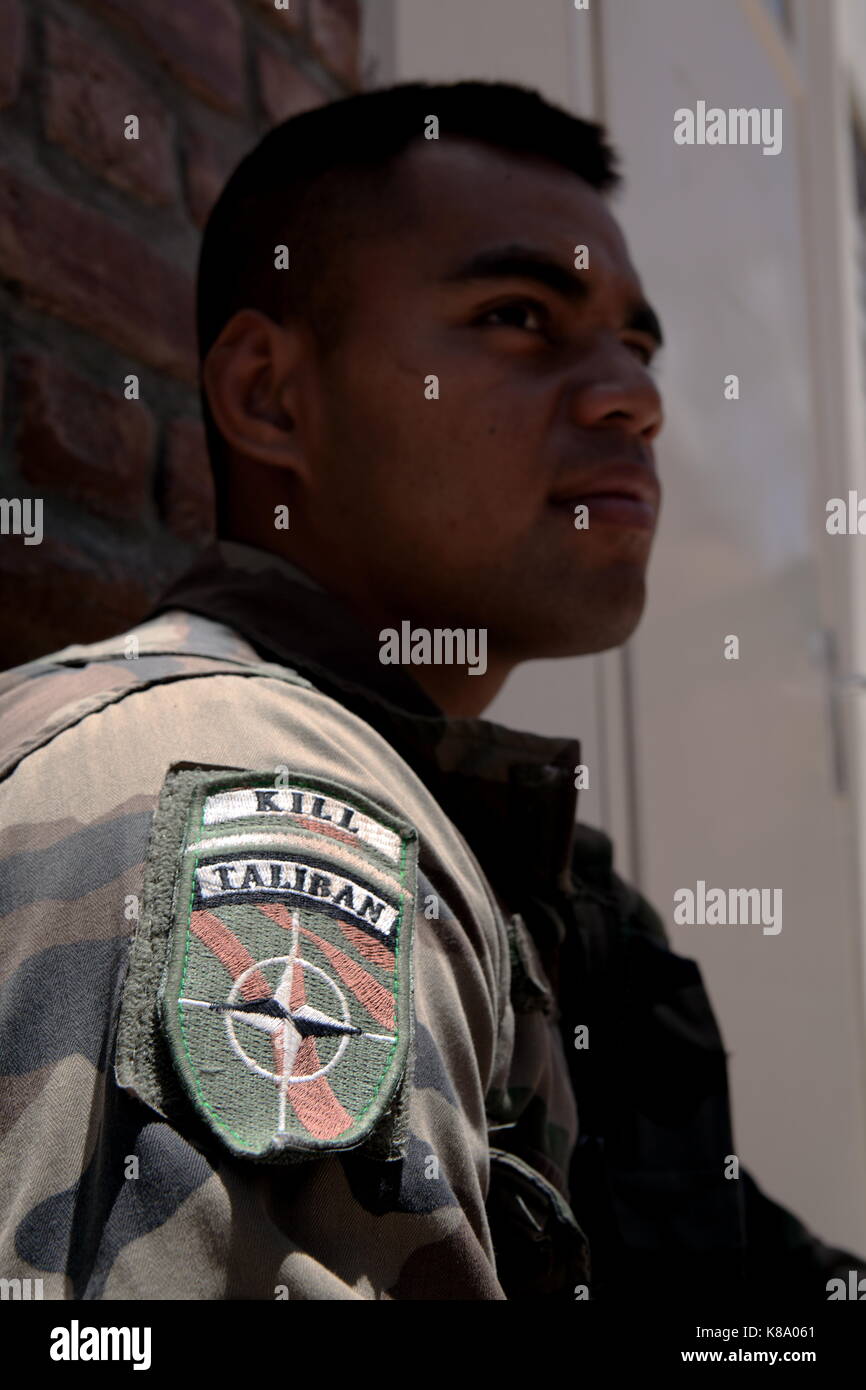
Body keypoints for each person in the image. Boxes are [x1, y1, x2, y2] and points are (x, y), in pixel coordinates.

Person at [0, 80, 862, 1302]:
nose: (633, 396)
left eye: (636, 345)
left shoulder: (560, 913)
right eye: (517, 317)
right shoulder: (238, 790)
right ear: (270, 396)